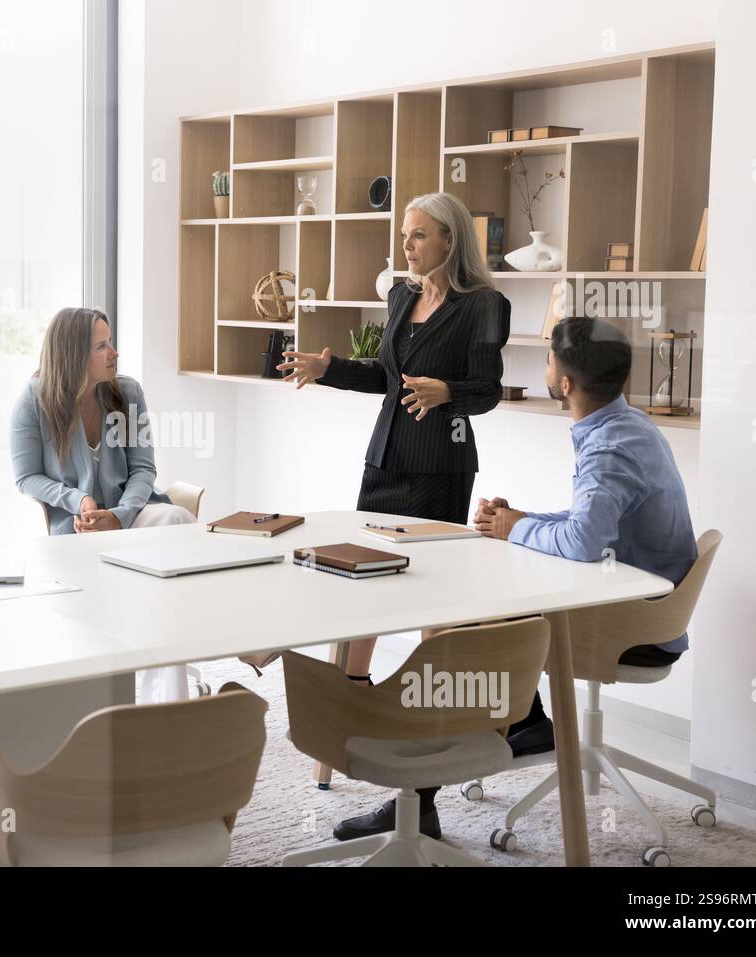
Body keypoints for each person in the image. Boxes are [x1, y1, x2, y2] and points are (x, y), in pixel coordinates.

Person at [277, 192, 510, 842]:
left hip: (440, 471)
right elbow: (386, 379)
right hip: (384, 465)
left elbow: (487, 391)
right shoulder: (402, 299)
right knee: (361, 598)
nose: (406, 245)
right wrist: (328, 370)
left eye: (418, 235)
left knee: (430, 620)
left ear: (450, 241)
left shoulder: (484, 306)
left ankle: (421, 789)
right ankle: (349, 730)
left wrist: (449, 394)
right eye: (405, 234)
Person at [475, 316, 697, 755]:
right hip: (651, 615)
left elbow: (583, 543)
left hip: (635, 629)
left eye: (548, 359)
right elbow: (591, 522)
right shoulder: (627, 425)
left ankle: (519, 729)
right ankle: (525, 726)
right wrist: (520, 519)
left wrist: (515, 528)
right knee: (497, 601)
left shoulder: (609, 446)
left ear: (565, 383)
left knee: (484, 618)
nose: (546, 365)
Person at [10, 307, 193, 533]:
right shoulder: (33, 401)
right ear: (73, 356)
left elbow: (142, 469)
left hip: (131, 515)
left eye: (110, 341)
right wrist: (79, 500)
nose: (113, 353)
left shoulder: (129, 393)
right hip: (76, 523)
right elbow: (27, 477)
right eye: (101, 346)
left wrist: (120, 515)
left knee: (178, 517)